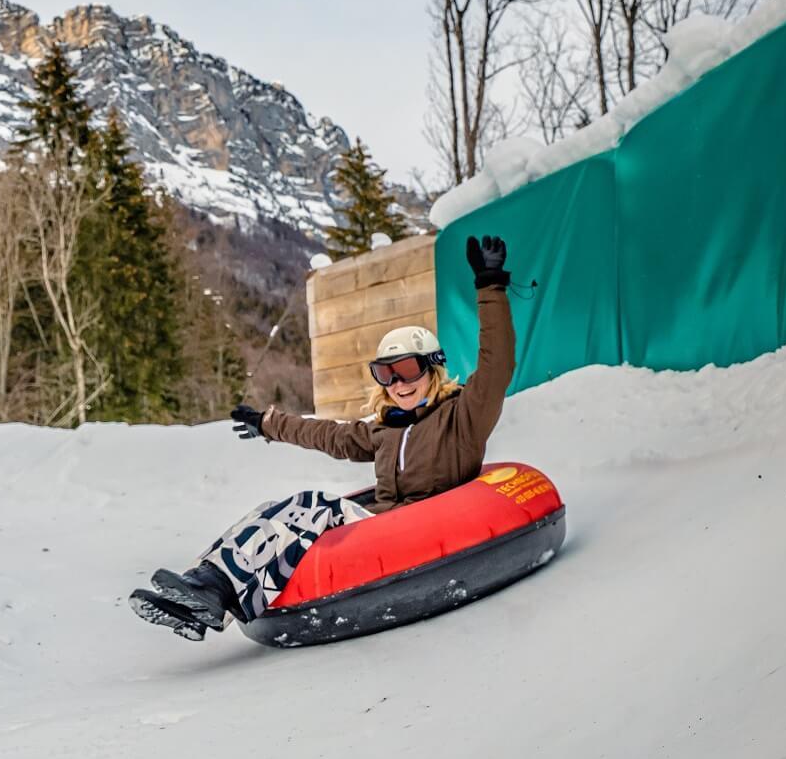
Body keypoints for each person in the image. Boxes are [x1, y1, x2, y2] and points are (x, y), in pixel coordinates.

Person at [129, 235, 518, 641]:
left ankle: (211, 591)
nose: (398, 383)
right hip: (385, 525)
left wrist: (490, 285)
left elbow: (498, 364)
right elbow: (329, 435)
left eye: (406, 369)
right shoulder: (386, 431)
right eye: (385, 375)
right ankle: (201, 593)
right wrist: (268, 423)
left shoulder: (463, 417)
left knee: (309, 506)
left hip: (430, 523)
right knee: (271, 511)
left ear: (432, 369)